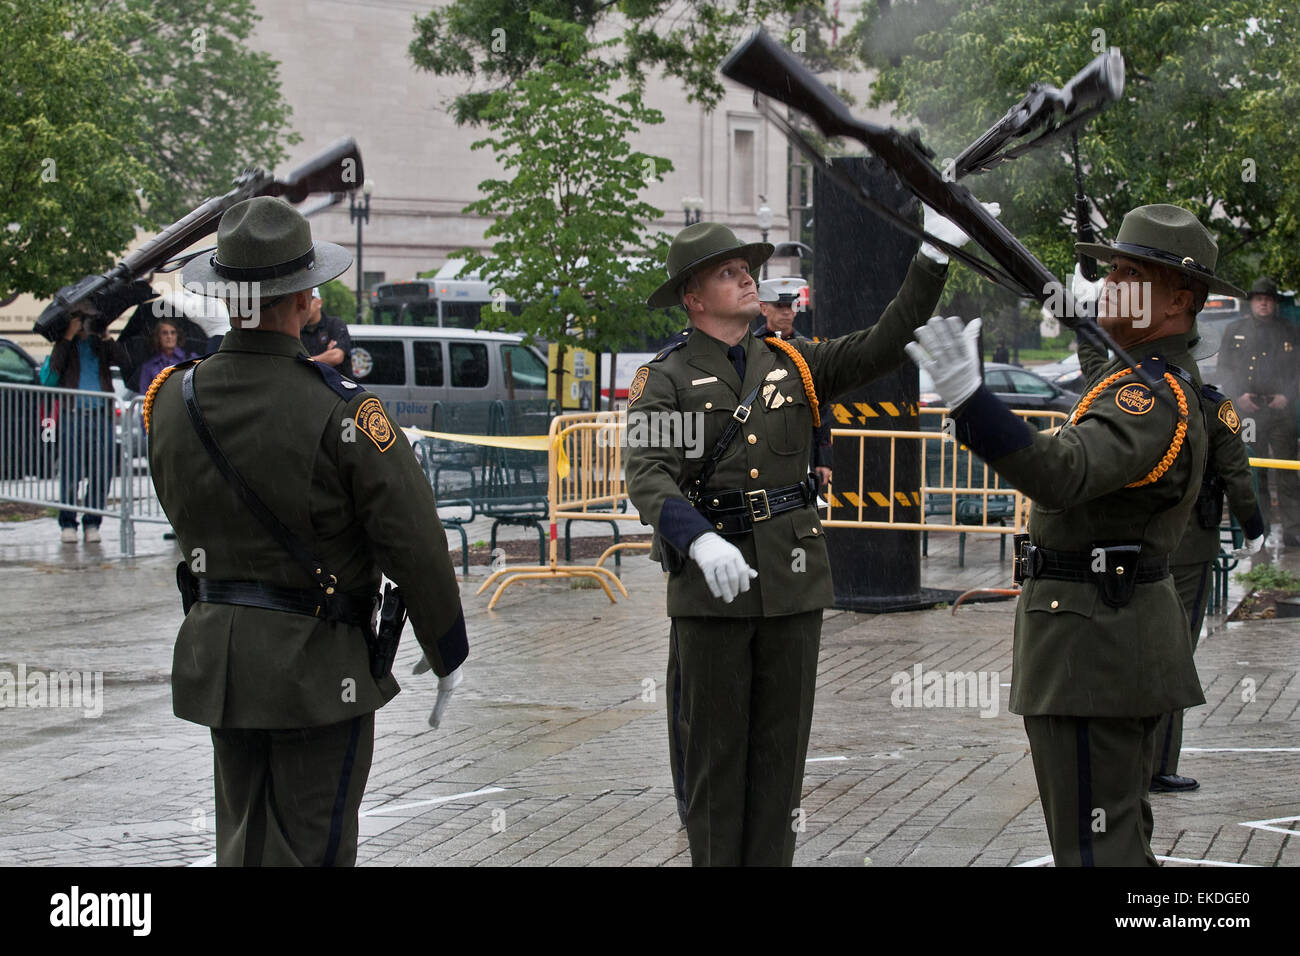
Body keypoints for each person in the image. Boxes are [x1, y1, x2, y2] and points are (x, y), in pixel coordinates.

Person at [625, 205, 990, 865]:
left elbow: (884, 341)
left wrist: (933, 254)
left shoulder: (792, 362)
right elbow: (648, 474)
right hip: (713, 591)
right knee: (715, 763)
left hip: (791, 586)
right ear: (692, 296)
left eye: (747, 269)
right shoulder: (668, 379)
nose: (747, 280)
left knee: (780, 763)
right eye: (729, 272)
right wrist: (699, 540)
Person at [907, 203, 1245, 866]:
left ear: (1179, 300)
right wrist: (1007, 251)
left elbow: (1063, 473)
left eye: (1128, 274)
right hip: (1097, 642)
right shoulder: (1131, 374)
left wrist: (974, 402)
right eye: (1109, 271)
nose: (1107, 285)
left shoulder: (1153, 398)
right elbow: (1091, 336)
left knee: (1097, 853)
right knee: (1111, 844)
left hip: (1096, 648)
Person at [145, 196, 467, 866]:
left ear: (232, 296)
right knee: (312, 848)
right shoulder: (341, 409)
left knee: (242, 843)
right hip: (318, 668)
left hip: (222, 662)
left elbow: (185, 513)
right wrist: (446, 651)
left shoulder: (173, 400)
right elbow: (413, 543)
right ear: (304, 298)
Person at [1073, 267, 1265, 795]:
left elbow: (1094, 363)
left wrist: (1082, 318)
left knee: (1139, 647)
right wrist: (1253, 526)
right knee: (1175, 651)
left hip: (1132, 544)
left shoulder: (1126, 382)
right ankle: (1159, 763)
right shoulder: (1209, 401)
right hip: (1191, 541)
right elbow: (1236, 472)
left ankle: (1136, 758)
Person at [1216, 277, 1300, 545]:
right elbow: (1224, 369)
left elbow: (1297, 369)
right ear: (1251, 301)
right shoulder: (1235, 329)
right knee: (1255, 471)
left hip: (1280, 411)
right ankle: (1260, 530)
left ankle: (1292, 530)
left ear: (1274, 303)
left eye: (1268, 298)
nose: (1264, 303)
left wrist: (1287, 396)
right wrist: (1238, 396)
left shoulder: (1288, 330)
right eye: (1259, 298)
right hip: (1249, 412)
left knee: (1287, 472)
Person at [47, 307, 129, 544]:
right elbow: (54, 367)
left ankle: (92, 522)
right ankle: (68, 523)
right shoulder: (67, 345)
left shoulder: (100, 345)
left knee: (101, 471)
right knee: (71, 473)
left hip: (101, 415)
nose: (87, 325)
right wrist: (68, 337)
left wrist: (106, 336)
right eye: (83, 321)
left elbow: (124, 361)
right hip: (73, 414)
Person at [756, 276, 832, 489]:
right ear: (764, 309)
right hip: (761, 440)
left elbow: (821, 407)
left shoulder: (809, 349)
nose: (786, 311)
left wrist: (823, 459)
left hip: (800, 444)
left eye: (790, 305)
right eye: (780, 306)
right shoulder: (751, 347)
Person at [301, 286, 354, 379]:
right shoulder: (297, 329)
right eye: (302, 301)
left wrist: (305, 361)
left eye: (310, 300)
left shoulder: (335, 324)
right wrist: (324, 357)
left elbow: (336, 357)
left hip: (337, 389)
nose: (305, 305)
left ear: (319, 302)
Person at [136, 317, 194, 393]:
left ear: (177, 336)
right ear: (158, 337)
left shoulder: (191, 359)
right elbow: (144, 395)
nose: (169, 336)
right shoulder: (149, 367)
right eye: (165, 333)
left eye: (173, 332)